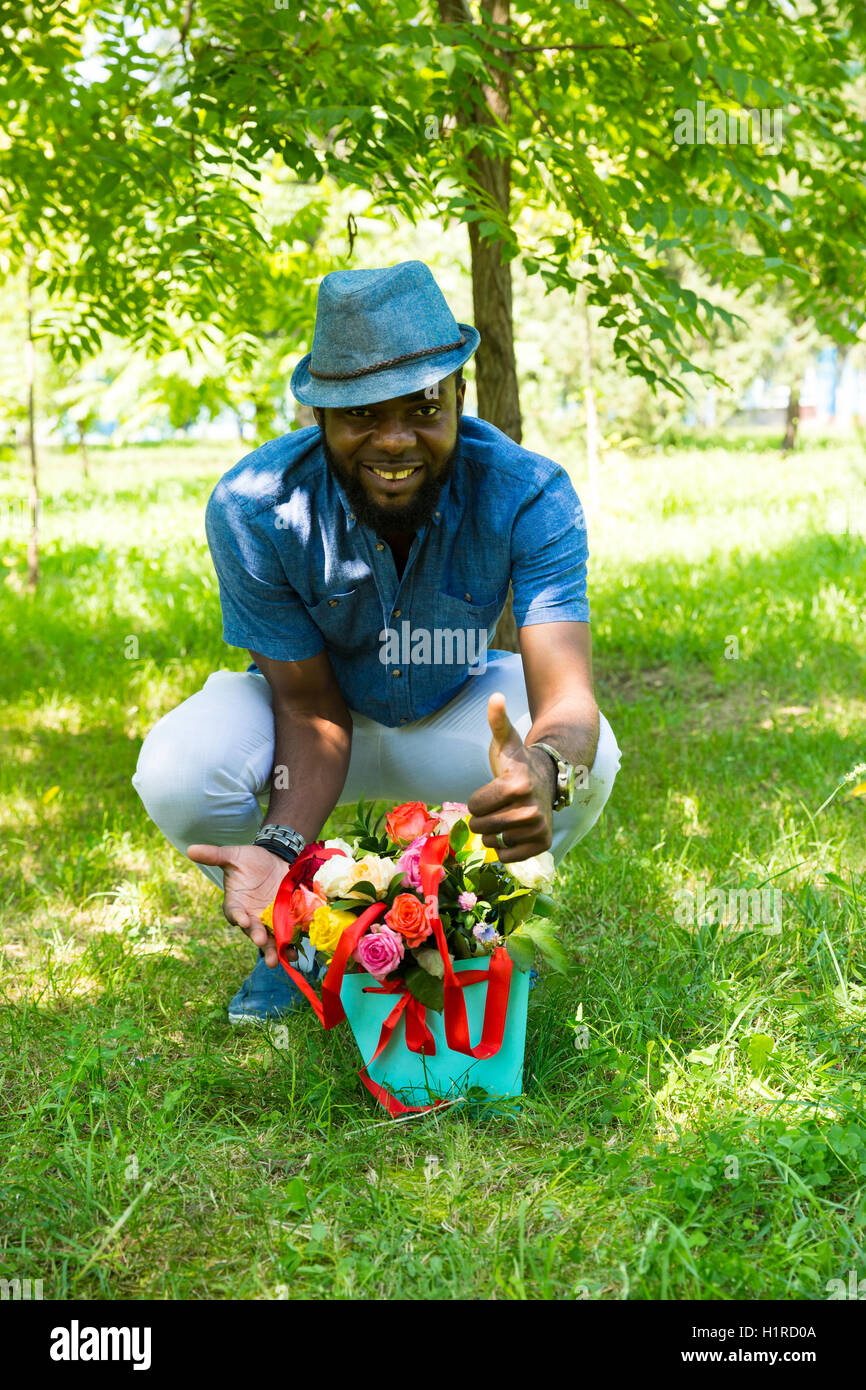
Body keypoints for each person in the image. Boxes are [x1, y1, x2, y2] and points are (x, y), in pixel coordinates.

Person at [132, 260, 621, 1023]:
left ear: (461, 397)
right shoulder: (255, 506)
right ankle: (297, 941)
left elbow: (568, 699)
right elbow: (309, 708)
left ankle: (468, 929)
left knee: (592, 760)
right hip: (321, 723)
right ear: (319, 415)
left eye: (424, 407)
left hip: (459, 708)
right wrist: (285, 850)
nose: (395, 441)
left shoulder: (530, 492)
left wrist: (544, 765)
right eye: (361, 415)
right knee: (177, 770)